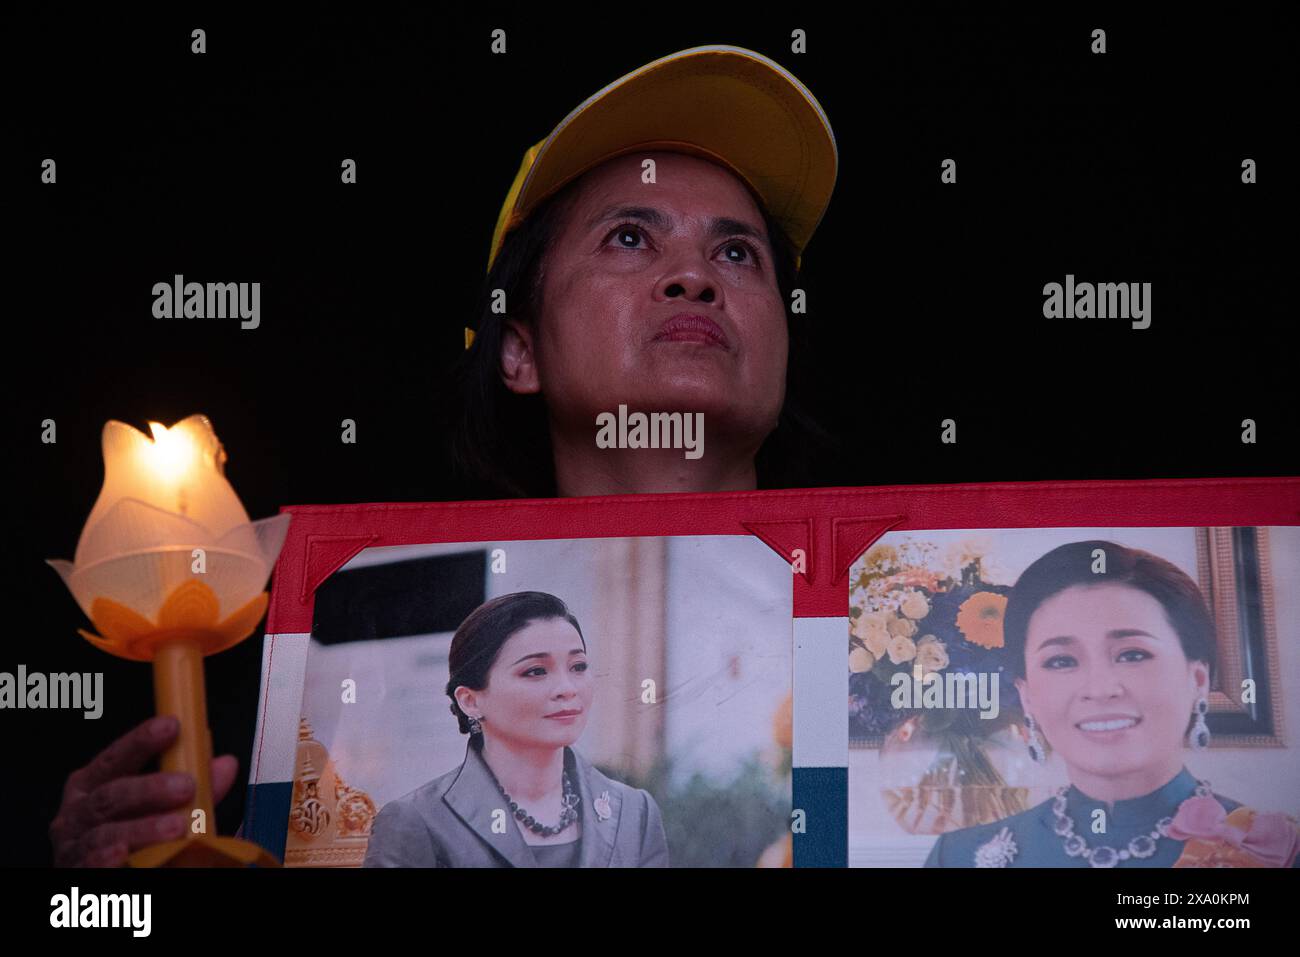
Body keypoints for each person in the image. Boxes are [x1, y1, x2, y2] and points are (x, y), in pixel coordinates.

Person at [51, 43, 834, 866]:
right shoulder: (338, 752)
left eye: (737, 252)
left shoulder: (917, 614)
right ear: (519, 350)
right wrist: (101, 904)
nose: (694, 276)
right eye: (632, 237)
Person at [925, 540, 1300, 868]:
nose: (1100, 689)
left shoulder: (1275, 849)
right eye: (1061, 661)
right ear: (1027, 695)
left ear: (1198, 680)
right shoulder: (959, 857)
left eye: (1133, 654)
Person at [363, 591, 668, 867]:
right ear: (470, 701)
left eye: (578, 666)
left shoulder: (634, 812)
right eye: (535, 671)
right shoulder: (417, 821)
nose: (566, 688)